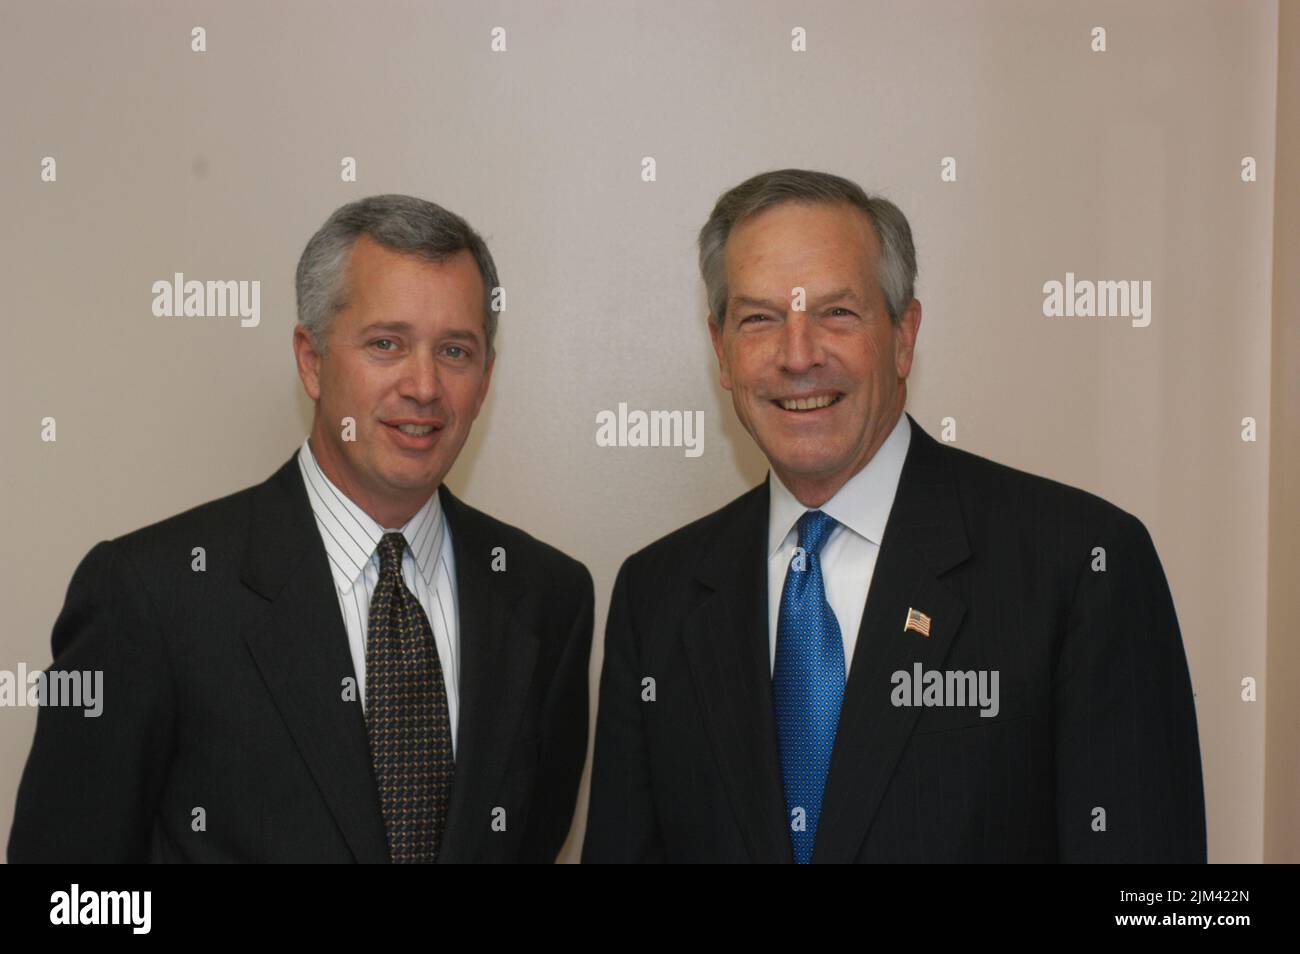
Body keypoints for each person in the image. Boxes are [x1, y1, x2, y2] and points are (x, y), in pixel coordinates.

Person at [583, 169, 1205, 863]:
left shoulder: (1081, 567)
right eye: (760, 318)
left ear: (903, 336)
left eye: (837, 313)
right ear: (722, 350)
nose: (798, 356)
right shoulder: (656, 595)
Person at [8, 195, 594, 863]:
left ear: (485, 379)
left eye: (455, 351)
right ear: (311, 361)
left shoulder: (549, 599)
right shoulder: (151, 596)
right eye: (386, 344)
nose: (424, 386)